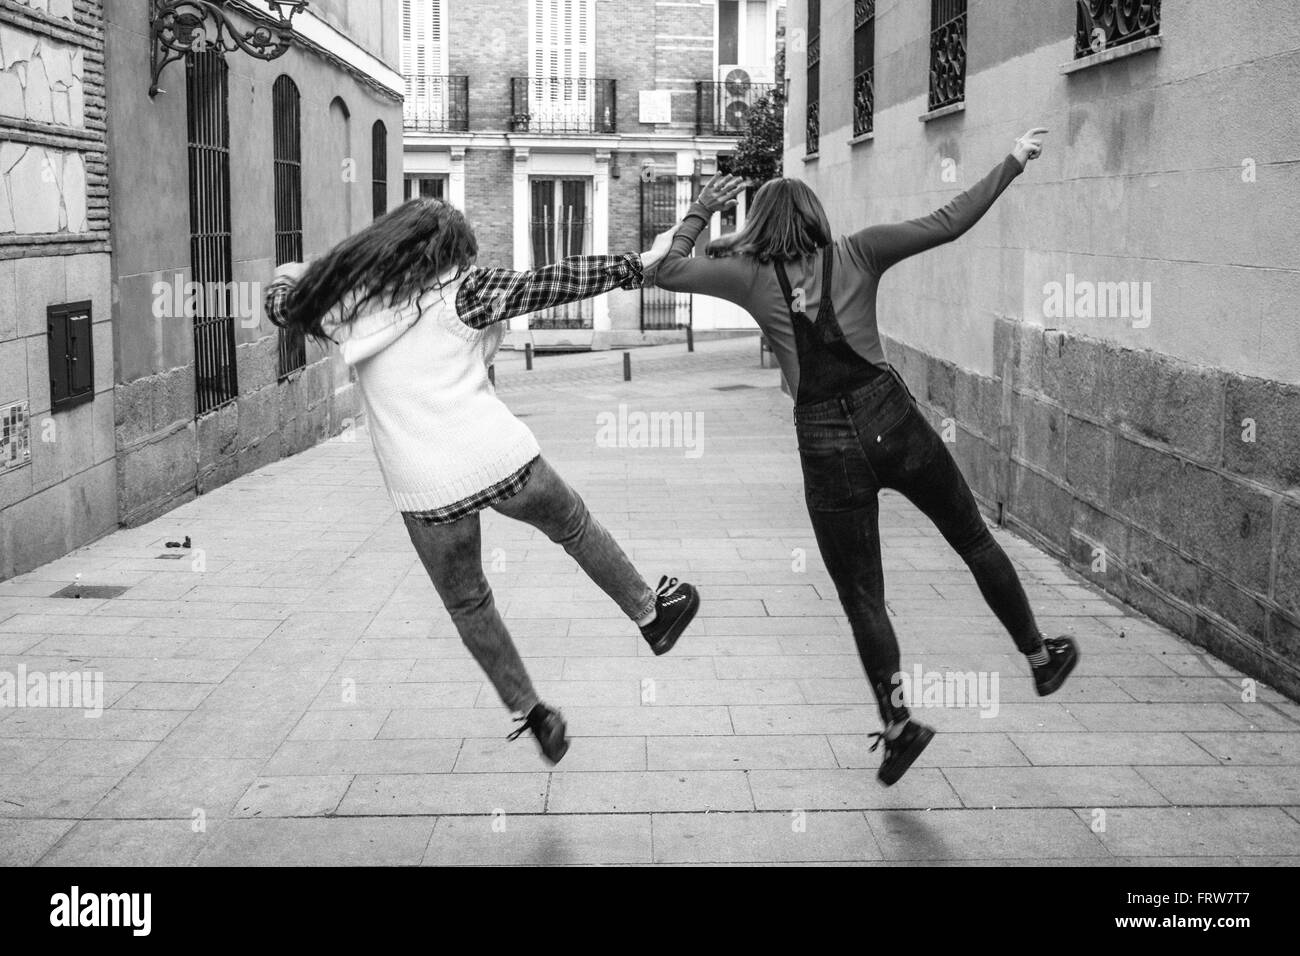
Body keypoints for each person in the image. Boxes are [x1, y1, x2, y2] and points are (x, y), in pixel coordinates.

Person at [649, 129, 1078, 786]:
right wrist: (1013, 162)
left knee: (862, 596)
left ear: (762, 225)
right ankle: (1040, 654)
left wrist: (704, 207)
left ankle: (900, 725)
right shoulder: (860, 252)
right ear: (817, 217)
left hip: (825, 443)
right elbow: (948, 221)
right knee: (971, 538)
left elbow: (665, 270)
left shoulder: (749, 277)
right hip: (892, 419)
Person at [263, 198, 700, 765]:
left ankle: (531, 710)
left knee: (469, 602)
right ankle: (650, 613)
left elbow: (282, 307)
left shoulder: (348, 305)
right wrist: (638, 263)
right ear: (450, 252)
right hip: (497, 458)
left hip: (423, 488)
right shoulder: (462, 290)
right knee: (573, 524)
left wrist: (289, 277)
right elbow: (552, 282)